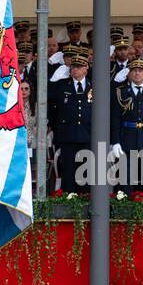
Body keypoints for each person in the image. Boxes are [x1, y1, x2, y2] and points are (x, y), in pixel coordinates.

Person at [109, 58, 143, 190]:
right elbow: (115, 119)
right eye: (134, 71)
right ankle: (123, 208)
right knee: (125, 180)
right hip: (127, 139)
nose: (137, 73)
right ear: (129, 73)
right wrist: (115, 141)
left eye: (140, 71)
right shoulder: (120, 92)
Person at [50, 52, 93, 193]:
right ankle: (69, 199)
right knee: (68, 170)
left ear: (86, 69)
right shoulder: (62, 86)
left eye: (79, 67)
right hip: (67, 135)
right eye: (73, 66)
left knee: (86, 170)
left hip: (88, 135)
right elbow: (53, 108)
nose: (75, 69)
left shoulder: (94, 86)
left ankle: (85, 198)